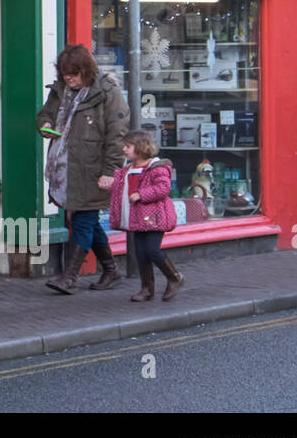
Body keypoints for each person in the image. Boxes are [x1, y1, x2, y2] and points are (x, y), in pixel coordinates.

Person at [36, 44, 129, 294]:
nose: (69, 78)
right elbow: (45, 114)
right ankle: (112, 270)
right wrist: (44, 124)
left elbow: (117, 135)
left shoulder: (108, 92)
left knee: (83, 220)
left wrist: (110, 171)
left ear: (86, 71)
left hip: (93, 168)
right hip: (65, 168)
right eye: (65, 73)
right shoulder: (60, 90)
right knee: (87, 219)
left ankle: (69, 277)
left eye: (74, 74)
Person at [104, 130, 185, 301]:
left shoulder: (156, 168)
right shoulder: (128, 170)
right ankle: (147, 289)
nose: (124, 149)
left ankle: (175, 277)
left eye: (128, 146)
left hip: (154, 217)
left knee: (153, 250)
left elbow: (163, 188)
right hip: (137, 218)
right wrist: (109, 186)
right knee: (141, 253)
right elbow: (121, 190)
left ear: (140, 148)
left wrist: (142, 194)